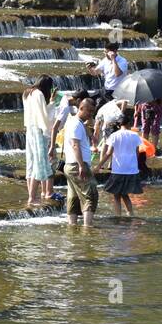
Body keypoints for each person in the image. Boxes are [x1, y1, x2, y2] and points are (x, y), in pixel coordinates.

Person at [96, 112, 144, 217]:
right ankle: (130, 214)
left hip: (119, 169)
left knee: (117, 195)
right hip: (131, 169)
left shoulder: (114, 135)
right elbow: (137, 153)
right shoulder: (135, 135)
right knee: (125, 194)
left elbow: (108, 153)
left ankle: (118, 216)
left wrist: (99, 166)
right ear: (129, 124)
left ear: (119, 125)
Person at [63, 96, 98, 227]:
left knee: (74, 197)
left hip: (70, 165)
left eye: (92, 112)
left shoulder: (76, 123)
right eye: (89, 111)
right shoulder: (76, 124)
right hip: (77, 165)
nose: (90, 114)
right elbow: (75, 145)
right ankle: (87, 227)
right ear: (81, 108)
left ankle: (72, 225)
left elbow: (88, 138)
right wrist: (81, 165)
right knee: (91, 195)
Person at [22, 76, 56, 208]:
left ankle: (32, 196)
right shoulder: (39, 94)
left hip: (29, 129)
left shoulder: (27, 92)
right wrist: (52, 103)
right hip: (38, 131)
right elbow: (43, 115)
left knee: (30, 163)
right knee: (40, 162)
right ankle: (32, 198)